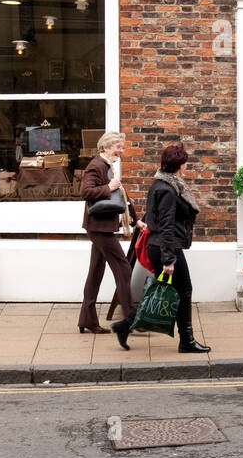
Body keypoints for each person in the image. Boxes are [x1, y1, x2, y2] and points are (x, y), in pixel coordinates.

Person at [113, 141, 210, 353]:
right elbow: (166, 226)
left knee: (162, 292)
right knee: (184, 291)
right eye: (184, 162)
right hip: (167, 248)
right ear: (179, 164)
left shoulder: (161, 183)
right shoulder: (167, 189)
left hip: (160, 246)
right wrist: (169, 259)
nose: (186, 166)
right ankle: (187, 341)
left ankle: (124, 325)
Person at [78, 131, 141, 334]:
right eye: (118, 147)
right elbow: (85, 193)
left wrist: (135, 220)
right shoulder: (96, 166)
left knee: (95, 272)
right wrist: (108, 187)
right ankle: (129, 320)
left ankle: (87, 320)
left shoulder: (107, 165)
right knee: (123, 269)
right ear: (105, 147)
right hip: (99, 228)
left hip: (101, 227)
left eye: (122, 147)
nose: (121, 151)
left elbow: (122, 195)